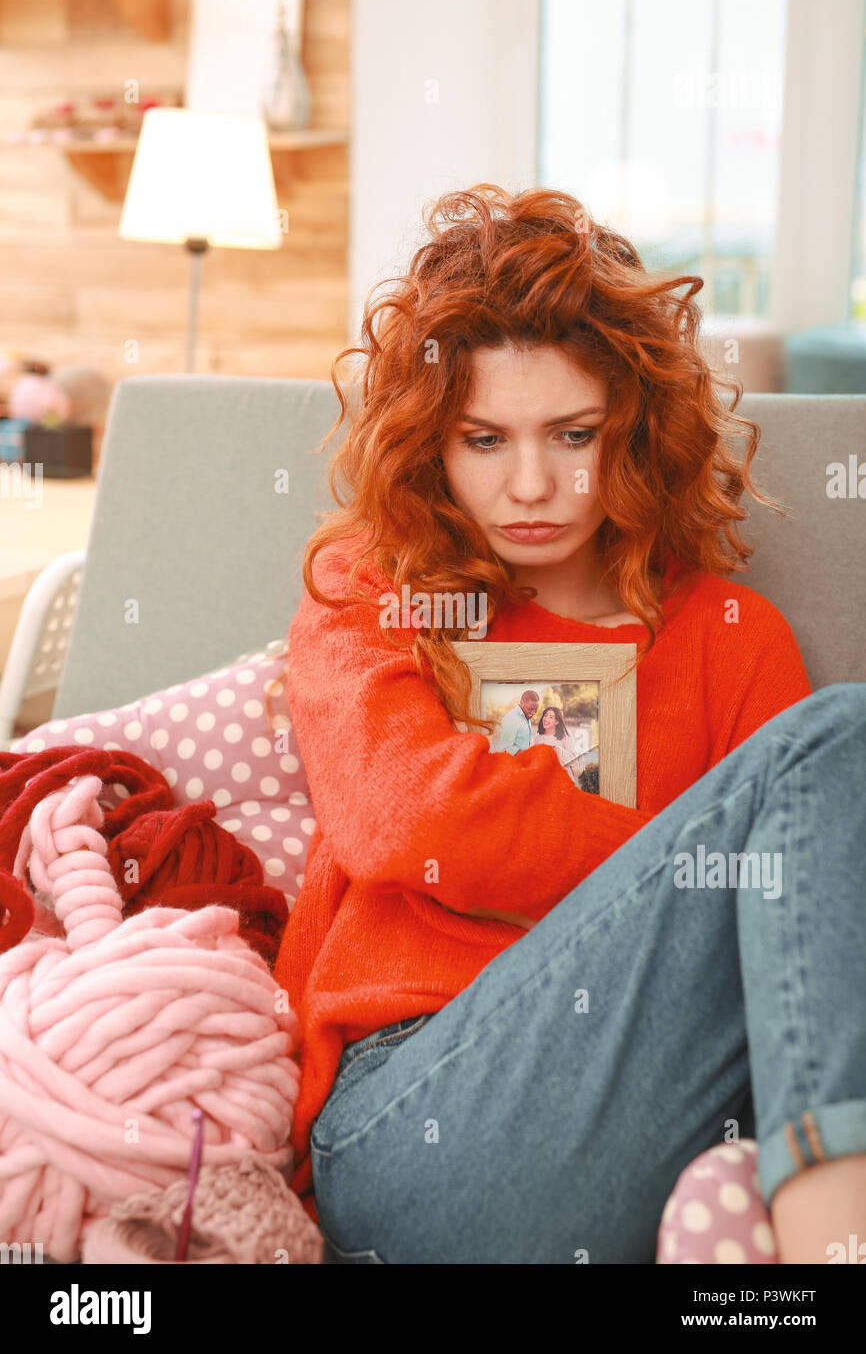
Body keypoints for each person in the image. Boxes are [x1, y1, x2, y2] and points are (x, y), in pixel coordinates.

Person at [269, 184, 866, 1264]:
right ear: (431, 445)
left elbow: (796, 947)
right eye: (483, 439)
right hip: (413, 1127)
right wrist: (697, 860)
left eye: (573, 434)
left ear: (631, 430)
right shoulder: (371, 592)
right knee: (834, 744)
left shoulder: (729, 634)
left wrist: (726, 873)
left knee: (832, 781)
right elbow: (405, 821)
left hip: (645, 1128)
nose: (531, 483)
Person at [489, 690, 539, 754]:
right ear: (522, 703)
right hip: (514, 761)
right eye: (530, 709)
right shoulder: (511, 719)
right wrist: (526, 755)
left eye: (535, 709)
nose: (533, 712)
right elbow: (505, 747)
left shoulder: (526, 716)